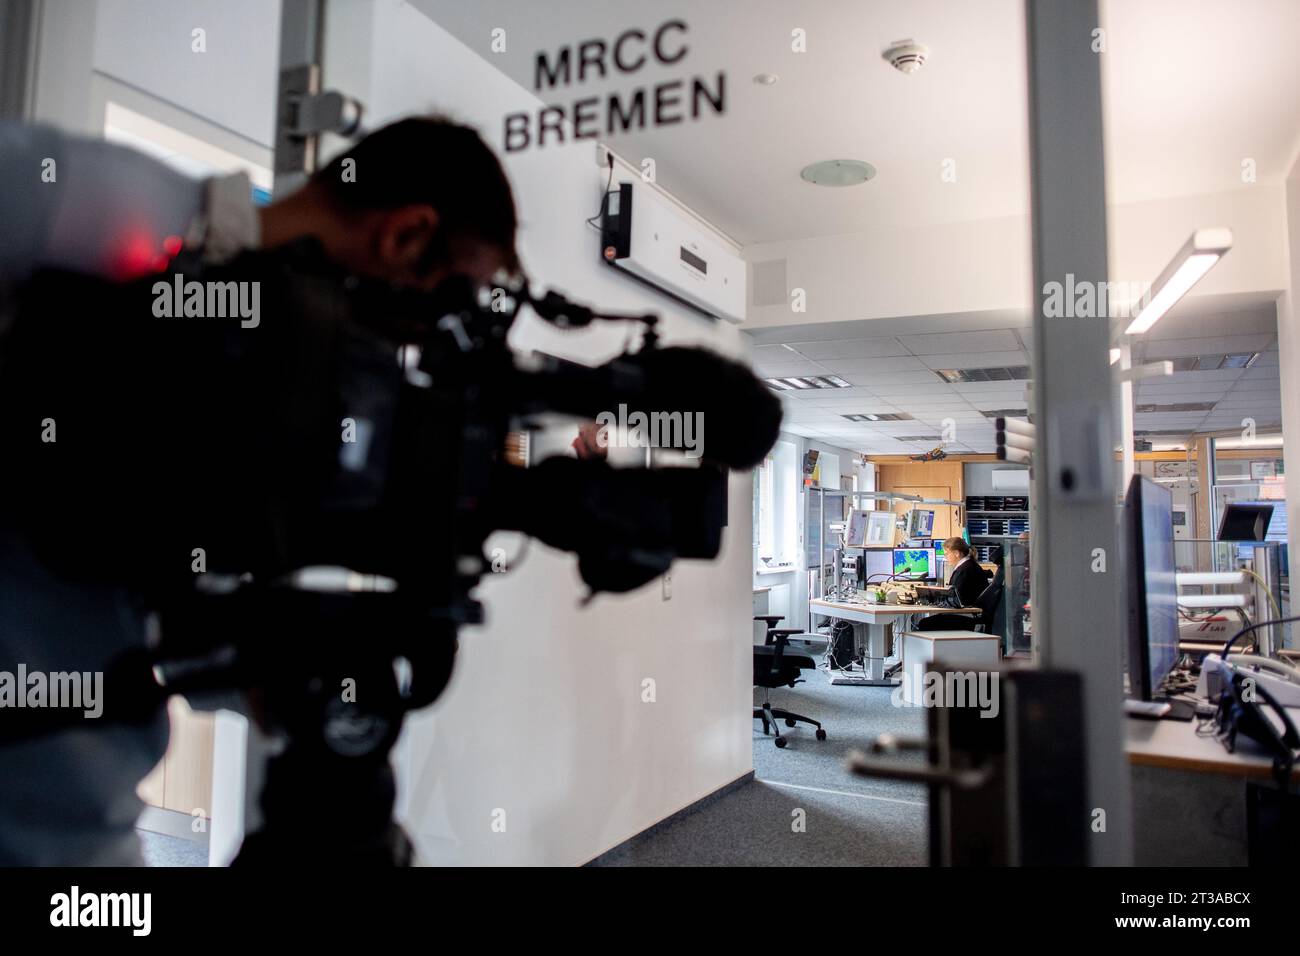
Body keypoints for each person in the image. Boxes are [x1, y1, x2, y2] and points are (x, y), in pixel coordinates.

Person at [0, 116, 520, 865]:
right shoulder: (111, 208)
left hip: (79, 824)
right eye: (446, 295)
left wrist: (273, 680)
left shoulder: (281, 391)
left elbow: (148, 597)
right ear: (406, 236)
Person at [914, 537, 990, 631]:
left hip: (968, 614)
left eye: (947, 554)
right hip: (967, 612)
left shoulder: (965, 570)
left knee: (924, 623)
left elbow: (957, 597)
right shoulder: (967, 566)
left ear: (957, 553)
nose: (945, 557)